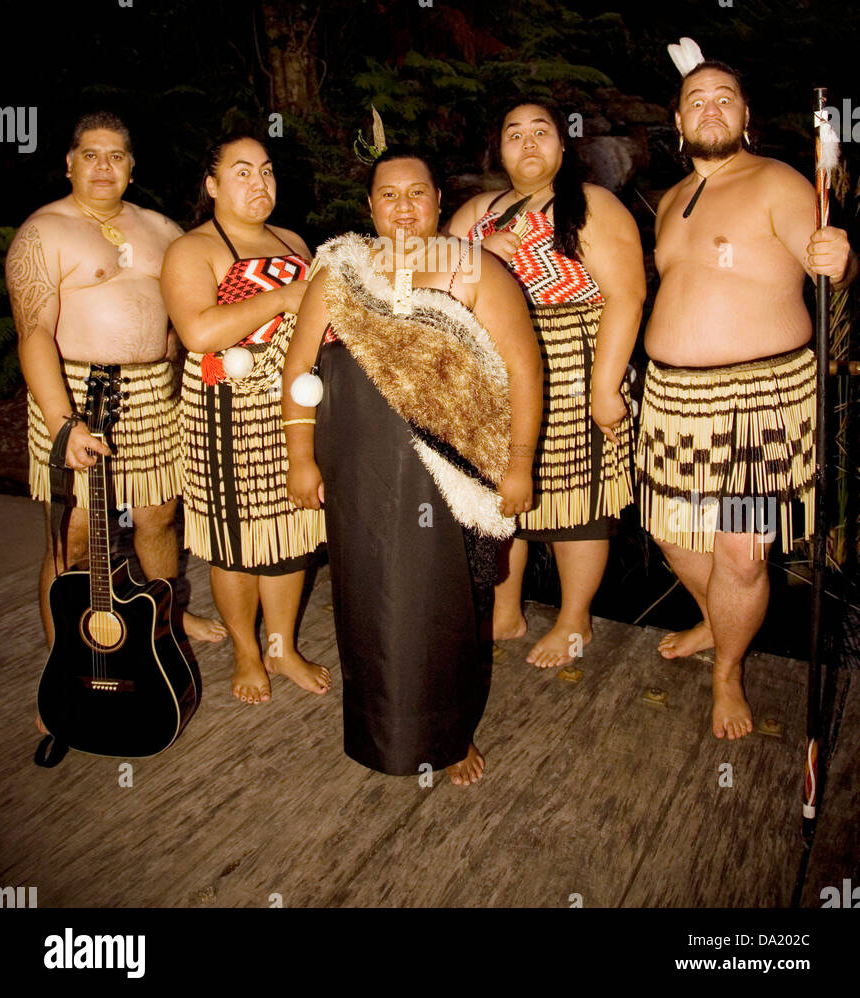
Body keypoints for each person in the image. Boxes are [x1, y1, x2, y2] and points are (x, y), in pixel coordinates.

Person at [283, 149, 543, 785]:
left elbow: (523, 370)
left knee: (444, 605)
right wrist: (299, 460)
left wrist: (520, 466)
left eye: (417, 193)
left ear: (437, 201)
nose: (403, 206)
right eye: (388, 195)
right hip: (358, 466)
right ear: (370, 207)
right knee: (370, 602)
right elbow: (298, 372)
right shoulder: (339, 270)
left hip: (449, 472)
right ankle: (381, 731)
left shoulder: (475, 269)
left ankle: (449, 734)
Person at [637, 57, 855, 740]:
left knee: (741, 552)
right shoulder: (670, 201)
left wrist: (839, 256)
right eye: (695, 99)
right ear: (677, 120)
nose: (709, 107)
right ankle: (715, 618)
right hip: (671, 398)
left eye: (723, 97)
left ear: (744, 116)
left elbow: (832, 258)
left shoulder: (778, 182)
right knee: (672, 532)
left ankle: (728, 671)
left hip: (761, 401)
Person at [6, 111, 225, 715]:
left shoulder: (161, 229)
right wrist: (61, 421)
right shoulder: (43, 232)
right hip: (74, 391)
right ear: (69, 163)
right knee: (73, 535)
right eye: (91, 154)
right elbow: (32, 334)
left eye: (117, 156)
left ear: (132, 167)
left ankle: (164, 623)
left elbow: (187, 315)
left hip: (155, 391)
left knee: (157, 517)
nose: (104, 166)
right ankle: (67, 658)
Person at [446, 102, 645, 668]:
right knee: (501, 493)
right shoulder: (478, 213)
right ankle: (505, 610)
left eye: (542, 132)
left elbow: (626, 295)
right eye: (515, 133)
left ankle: (574, 616)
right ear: (498, 149)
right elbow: (428, 272)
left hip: (573, 361)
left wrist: (605, 386)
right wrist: (476, 253)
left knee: (576, 497)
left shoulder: (591, 204)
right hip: (492, 368)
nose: (528, 143)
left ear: (563, 146)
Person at [160, 134, 327, 706]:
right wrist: (282, 299)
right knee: (235, 540)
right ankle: (246, 652)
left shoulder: (295, 241)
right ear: (211, 186)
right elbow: (198, 332)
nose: (259, 183)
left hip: (294, 407)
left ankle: (280, 646)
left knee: (289, 531)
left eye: (266, 170)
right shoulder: (192, 249)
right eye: (241, 172)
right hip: (224, 411)